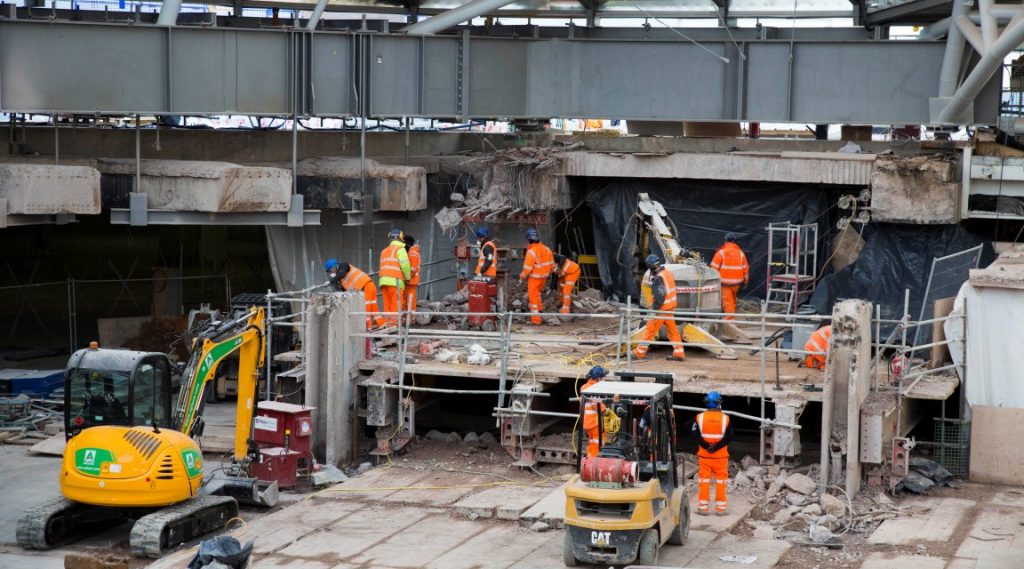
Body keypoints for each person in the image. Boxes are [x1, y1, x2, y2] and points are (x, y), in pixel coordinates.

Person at [633, 255, 686, 360]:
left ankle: (640, 352)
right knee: (672, 331)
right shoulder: (667, 273)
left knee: (650, 329)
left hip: (662, 309)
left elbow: (660, 296)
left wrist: (654, 309)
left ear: (651, 266)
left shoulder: (658, 278)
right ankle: (679, 352)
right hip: (670, 307)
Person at [692, 391, 733, 515]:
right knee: (721, 481)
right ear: (719, 403)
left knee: (704, 481)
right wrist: (716, 447)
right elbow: (729, 437)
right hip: (720, 456)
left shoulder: (699, 417)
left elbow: (694, 435)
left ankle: (703, 508)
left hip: (704, 456)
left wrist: (707, 446)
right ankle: (720, 509)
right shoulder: (726, 418)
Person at [326, 259, 385, 329]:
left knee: (366, 309)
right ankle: (382, 324)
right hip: (367, 288)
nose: (332, 272)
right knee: (373, 308)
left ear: (334, 266)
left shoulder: (344, 265)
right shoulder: (341, 280)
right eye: (330, 272)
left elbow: (341, 274)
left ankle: (369, 328)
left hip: (366, 286)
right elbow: (344, 291)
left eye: (331, 270)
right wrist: (336, 283)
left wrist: (331, 281)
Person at [709, 232, 750, 321]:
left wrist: (712, 282)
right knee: (732, 301)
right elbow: (745, 269)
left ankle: (730, 322)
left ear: (725, 241)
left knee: (727, 303)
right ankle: (729, 318)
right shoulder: (740, 253)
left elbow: (713, 269)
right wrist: (746, 281)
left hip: (725, 284)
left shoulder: (721, 253)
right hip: (737, 284)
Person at [519, 228, 554, 325]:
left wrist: (521, 277)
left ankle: (535, 320)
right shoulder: (547, 249)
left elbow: (527, 270)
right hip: (544, 278)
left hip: (534, 279)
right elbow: (552, 265)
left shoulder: (531, 252)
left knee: (533, 298)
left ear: (528, 239)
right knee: (538, 295)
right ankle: (540, 311)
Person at [378, 229, 411, 326]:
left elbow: (381, 265)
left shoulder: (384, 251)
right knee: (396, 304)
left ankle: (388, 324)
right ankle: (394, 326)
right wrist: (407, 277)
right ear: (401, 238)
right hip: (395, 280)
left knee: (387, 304)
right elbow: (405, 266)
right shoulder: (400, 250)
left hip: (383, 281)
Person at [580, 366, 609, 458]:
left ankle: (588, 460)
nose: (604, 379)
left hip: (588, 422)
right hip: (595, 423)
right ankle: (593, 463)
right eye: (603, 378)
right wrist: (607, 412)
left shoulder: (584, 387)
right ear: (598, 378)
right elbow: (596, 404)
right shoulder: (594, 389)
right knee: (598, 443)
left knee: (592, 442)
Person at [402, 235, 421, 313]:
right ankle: (407, 318)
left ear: (408, 244)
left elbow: (413, 269)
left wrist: (406, 278)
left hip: (411, 281)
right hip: (410, 281)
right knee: (408, 300)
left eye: (404, 243)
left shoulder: (412, 254)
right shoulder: (412, 252)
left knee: (410, 301)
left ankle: (410, 319)